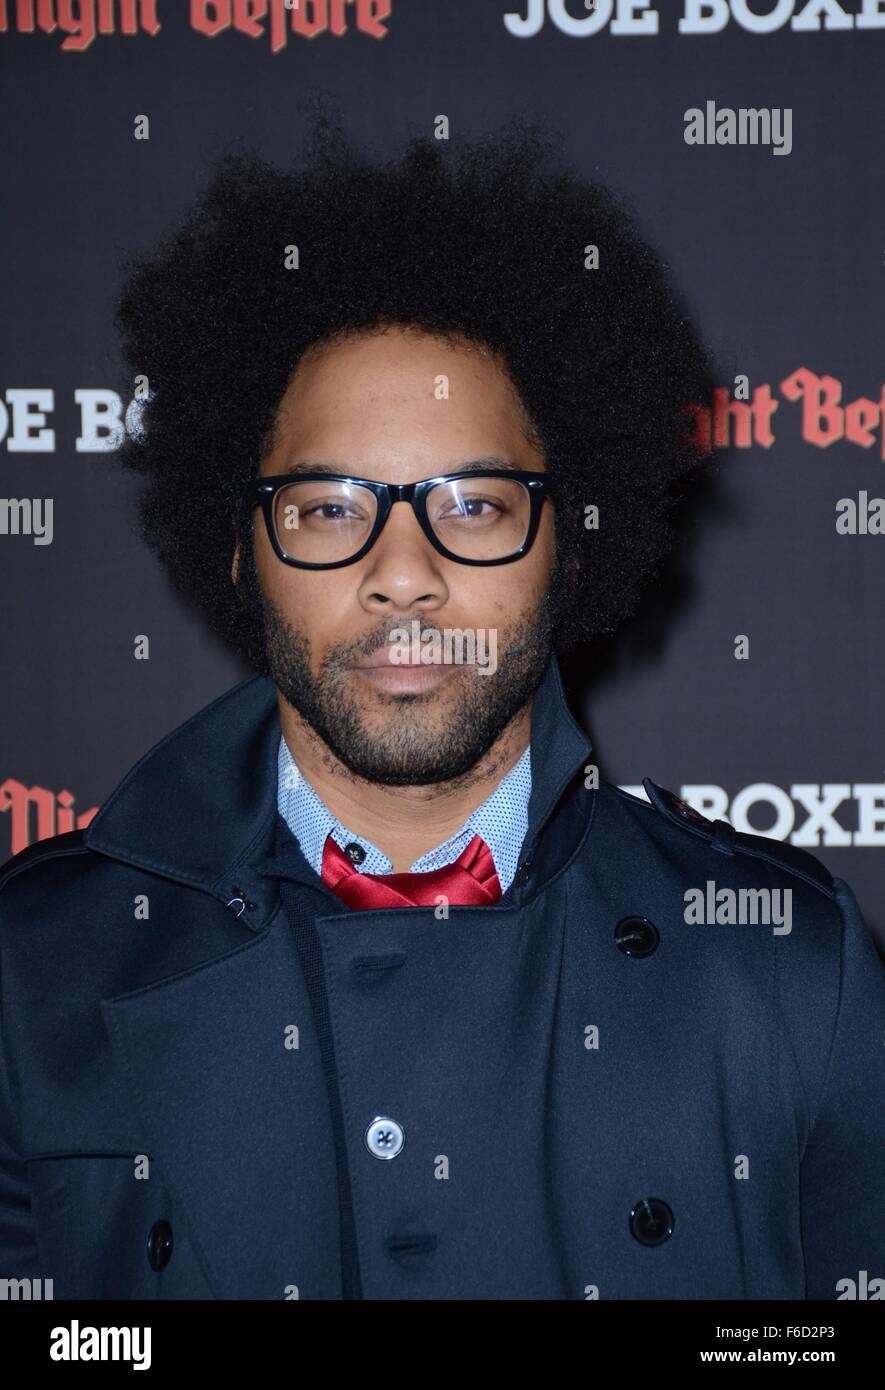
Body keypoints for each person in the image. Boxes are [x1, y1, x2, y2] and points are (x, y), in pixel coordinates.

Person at [1, 115, 883, 1302]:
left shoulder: (788, 968)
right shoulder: (31, 967)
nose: (404, 573)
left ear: (567, 545)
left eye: (471, 505)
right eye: (326, 506)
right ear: (238, 548)